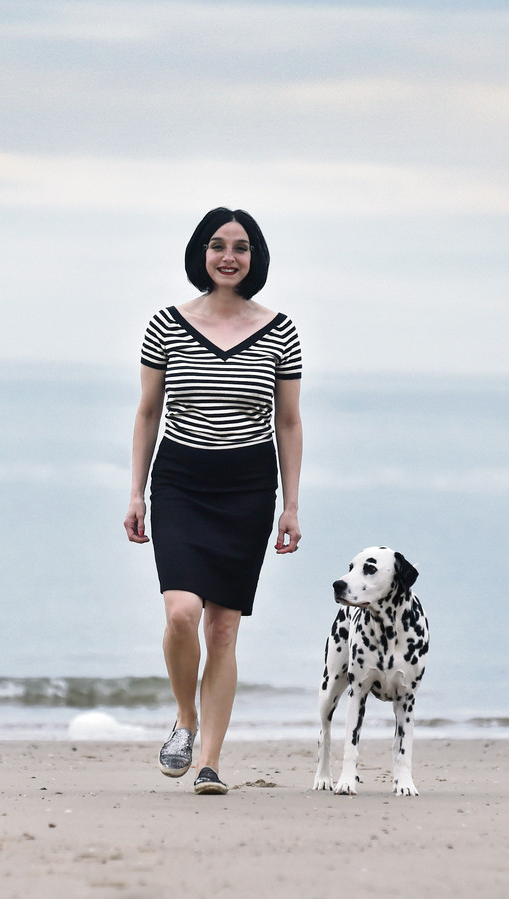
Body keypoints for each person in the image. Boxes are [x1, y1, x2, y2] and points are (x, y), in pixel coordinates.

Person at [124, 207, 302, 795]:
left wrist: (291, 505)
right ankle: (185, 718)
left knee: (223, 629)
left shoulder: (281, 329)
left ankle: (210, 762)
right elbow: (148, 412)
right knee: (181, 612)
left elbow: (289, 423)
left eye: (242, 247)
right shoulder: (166, 324)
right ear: (201, 253)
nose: (230, 256)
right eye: (218, 245)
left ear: (255, 258)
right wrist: (136, 493)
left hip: (248, 487)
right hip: (179, 480)